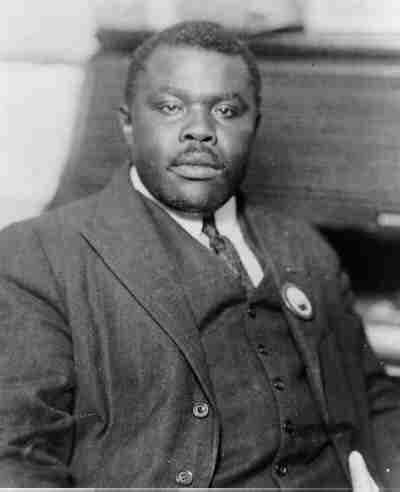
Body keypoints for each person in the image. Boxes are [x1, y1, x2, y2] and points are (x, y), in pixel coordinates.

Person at [0, 21, 398, 490]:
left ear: (254, 126)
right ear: (128, 123)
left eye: (226, 110)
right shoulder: (38, 256)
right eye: (171, 107)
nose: (200, 131)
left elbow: (375, 398)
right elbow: (17, 456)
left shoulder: (305, 246)